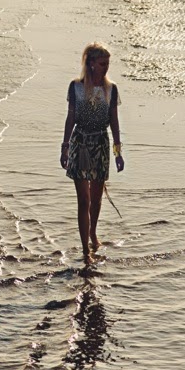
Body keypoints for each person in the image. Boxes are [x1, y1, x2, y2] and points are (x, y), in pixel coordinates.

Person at [60, 42, 124, 264]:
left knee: (96, 200)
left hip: (100, 143)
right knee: (83, 200)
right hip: (80, 143)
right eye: (102, 63)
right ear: (91, 64)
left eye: (108, 63)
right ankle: (85, 248)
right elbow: (70, 118)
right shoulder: (76, 87)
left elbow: (114, 121)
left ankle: (93, 232)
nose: (106, 67)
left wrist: (118, 151)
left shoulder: (111, 89)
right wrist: (65, 147)